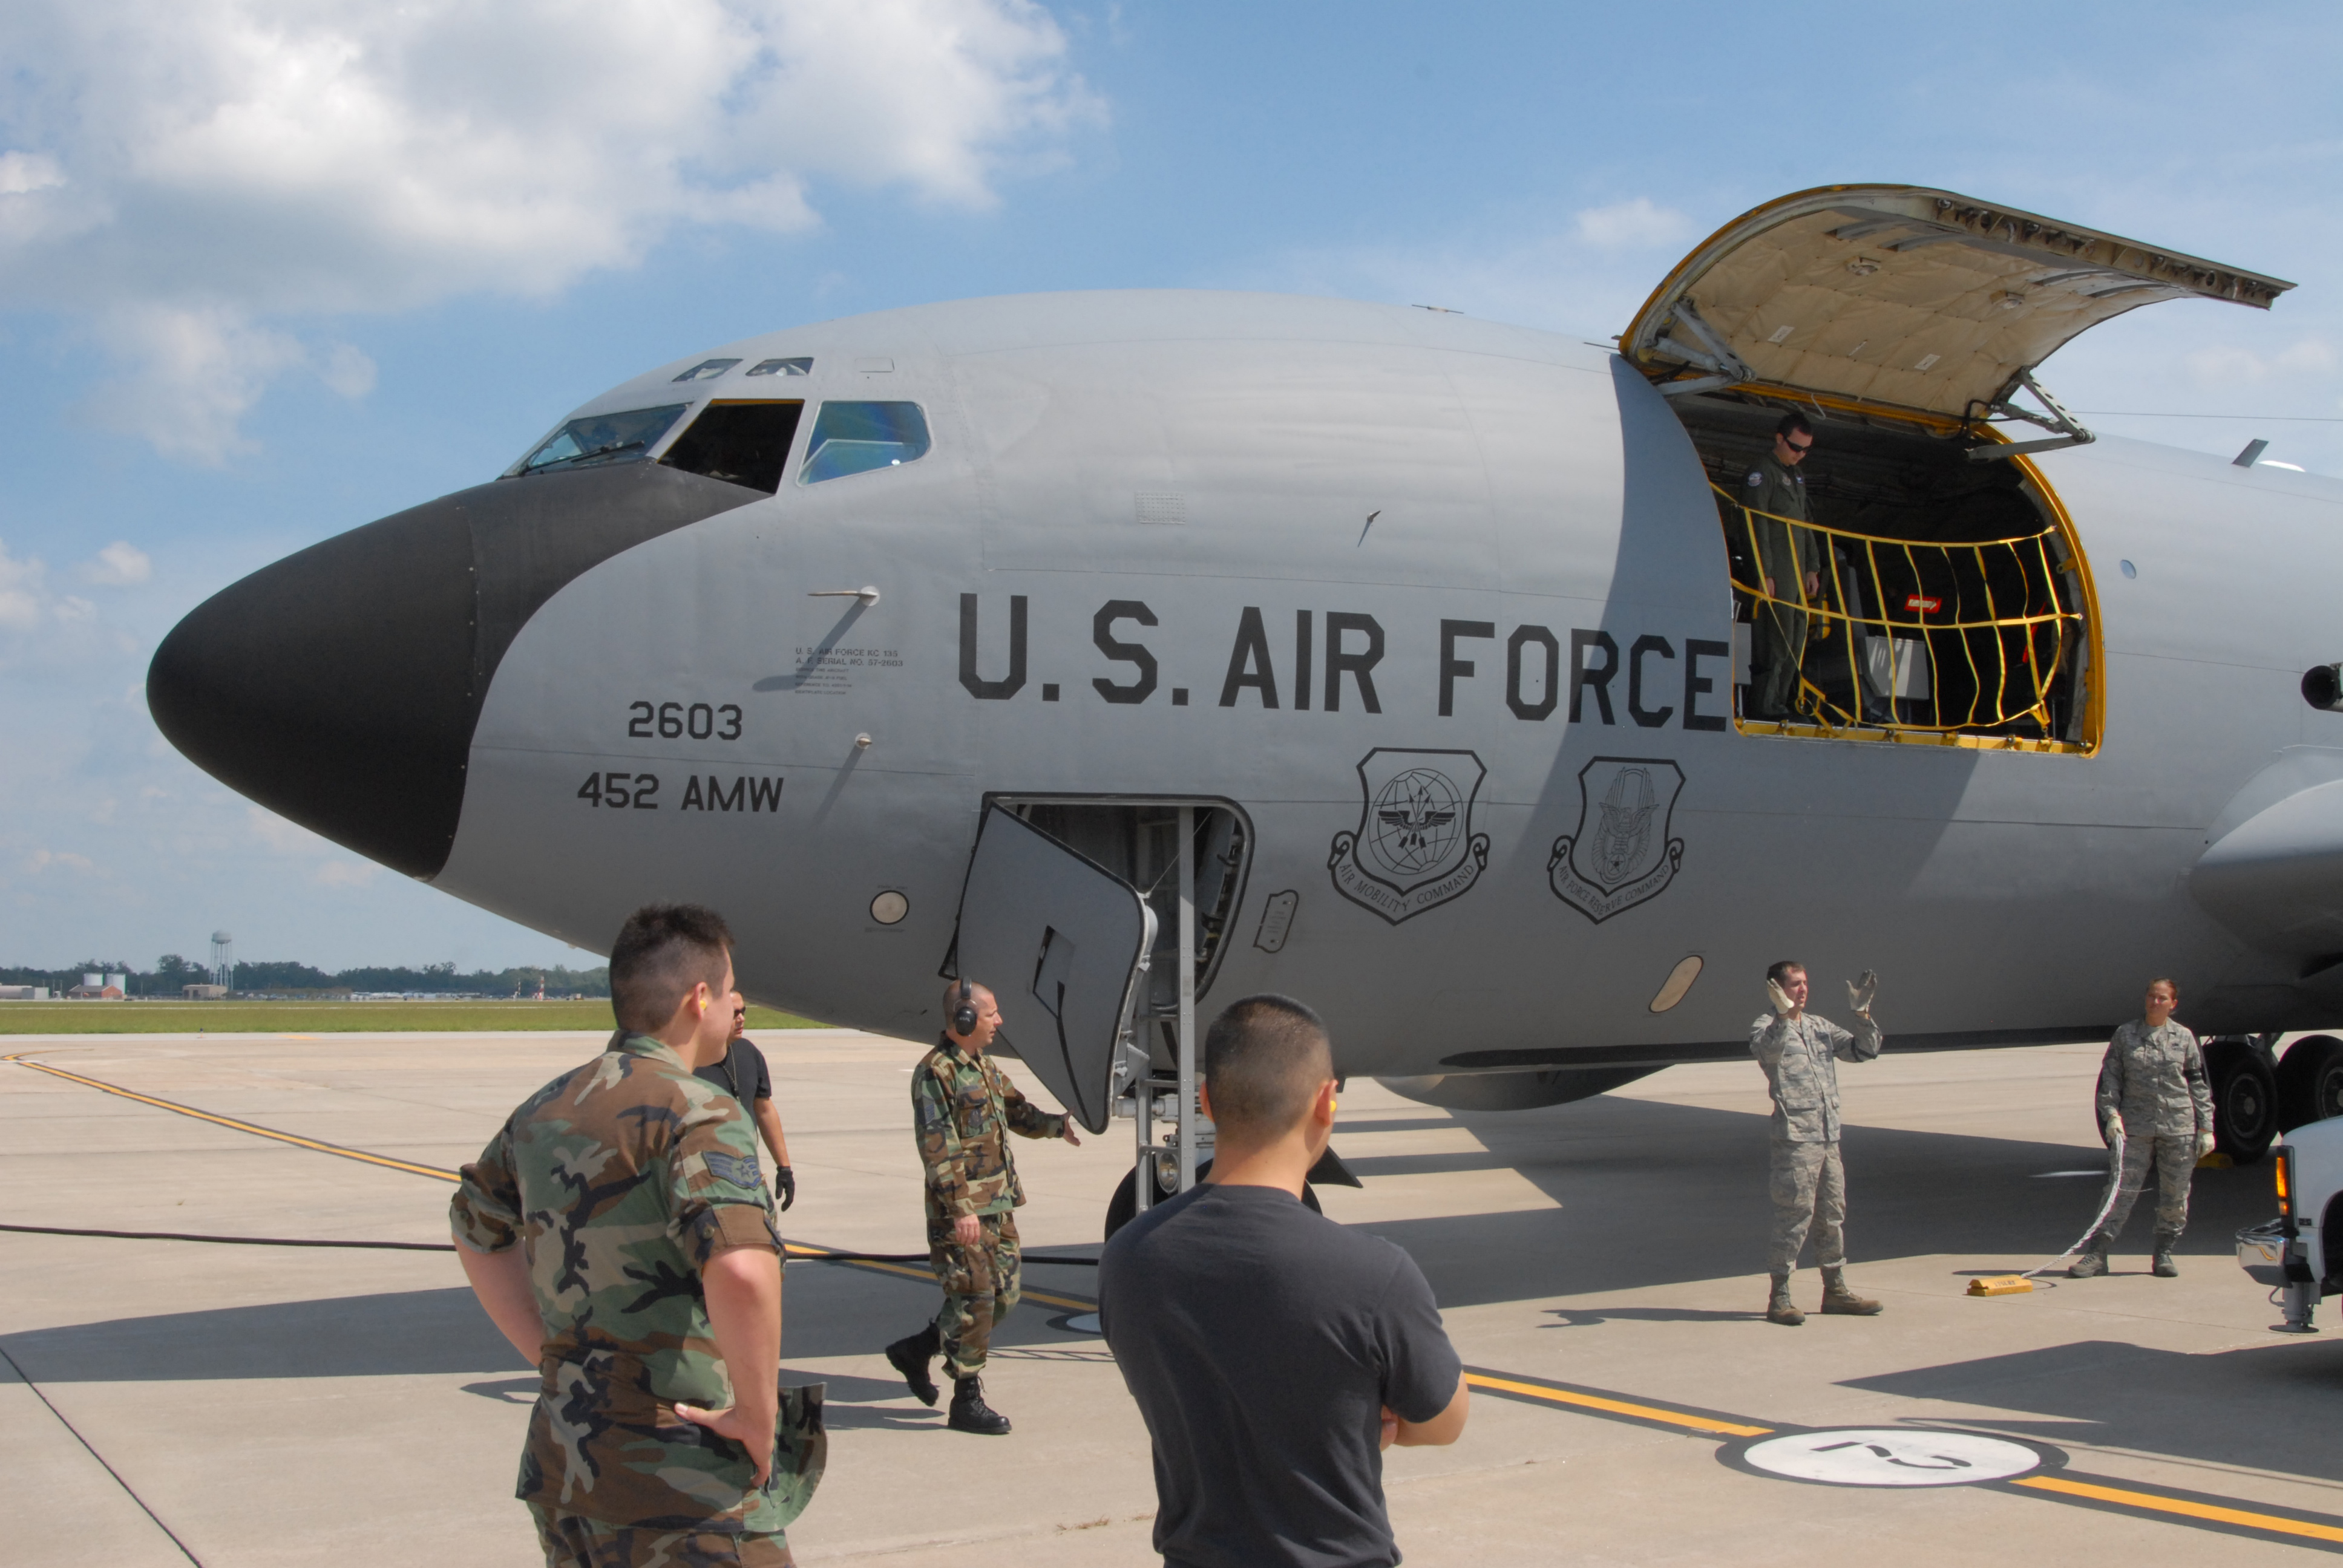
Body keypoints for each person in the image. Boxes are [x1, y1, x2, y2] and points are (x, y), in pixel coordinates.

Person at [450, 904, 822, 1567]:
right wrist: (756, 1418)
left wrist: (550, 1357)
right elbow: (740, 1271)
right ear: (698, 997)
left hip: (569, 1463)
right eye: (730, 986)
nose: (738, 1001)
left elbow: (475, 1231)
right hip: (680, 1476)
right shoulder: (700, 1110)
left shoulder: (545, 1108)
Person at [1099, 995, 1468, 1568]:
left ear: (1206, 1102)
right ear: (1326, 1101)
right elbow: (1445, 1420)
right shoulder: (1373, 1273)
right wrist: (1369, 1421)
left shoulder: (1128, 1260)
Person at [882, 978, 1081, 1436]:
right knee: (976, 1298)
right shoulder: (937, 1072)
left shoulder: (984, 1068)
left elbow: (1017, 1111)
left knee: (1004, 1298)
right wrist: (961, 1209)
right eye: (992, 1014)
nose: (999, 1021)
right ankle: (966, 1400)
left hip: (999, 1203)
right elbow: (938, 1146)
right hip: (964, 1211)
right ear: (965, 1018)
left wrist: (1056, 1127)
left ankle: (920, 1348)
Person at [1752, 960, 1886, 1326]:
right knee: (1794, 1217)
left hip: (1828, 1137)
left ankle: (1836, 1291)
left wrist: (1862, 1013)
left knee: (1832, 1216)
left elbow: (1864, 1051)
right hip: (1795, 1141)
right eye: (1795, 984)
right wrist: (1781, 1016)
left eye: (1805, 983)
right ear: (1776, 989)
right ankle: (1780, 1296)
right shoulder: (1766, 1028)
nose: (1803, 990)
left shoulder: (1818, 1027)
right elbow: (1769, 1053)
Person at [2070, 978, 2214, 1279]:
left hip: (2178, 1127)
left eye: (2162, 998)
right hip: (2135, 1127)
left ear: (2173, 1004)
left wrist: (2206, 1128)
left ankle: (2163, 1253)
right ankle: (2097, 1254)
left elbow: (2198, 1084)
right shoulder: (2126, 1035)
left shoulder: (2184, 1037)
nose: (2155, 1002)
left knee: (2175, 1195)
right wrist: (2111, 1115)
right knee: (2119, 1191)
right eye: (2151, 996)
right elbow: (2111, 1077)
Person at [1745, 411, 1821, 719]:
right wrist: (1764, 573)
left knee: (1796, 637)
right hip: (1777, 570)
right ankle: (1764, 705)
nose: (1799, 454)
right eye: (1795, 447)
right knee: (1776, 639)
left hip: (1798, 570)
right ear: (1779, 438)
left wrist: (1813, 566)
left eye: (1805, 449)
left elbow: (1805, 523)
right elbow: (1755, 525)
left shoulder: (1797, 477)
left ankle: (1784, 702)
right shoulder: (1762, 474)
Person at [699, 1002, 796, 1211]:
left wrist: (784, 1168)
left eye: (743, 1011)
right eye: (734, 1013)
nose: (741, 1018)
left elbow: (764, 1109)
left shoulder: (749, 1053)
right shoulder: (688, 1060)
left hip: (747, 1176)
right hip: (703, 1183)